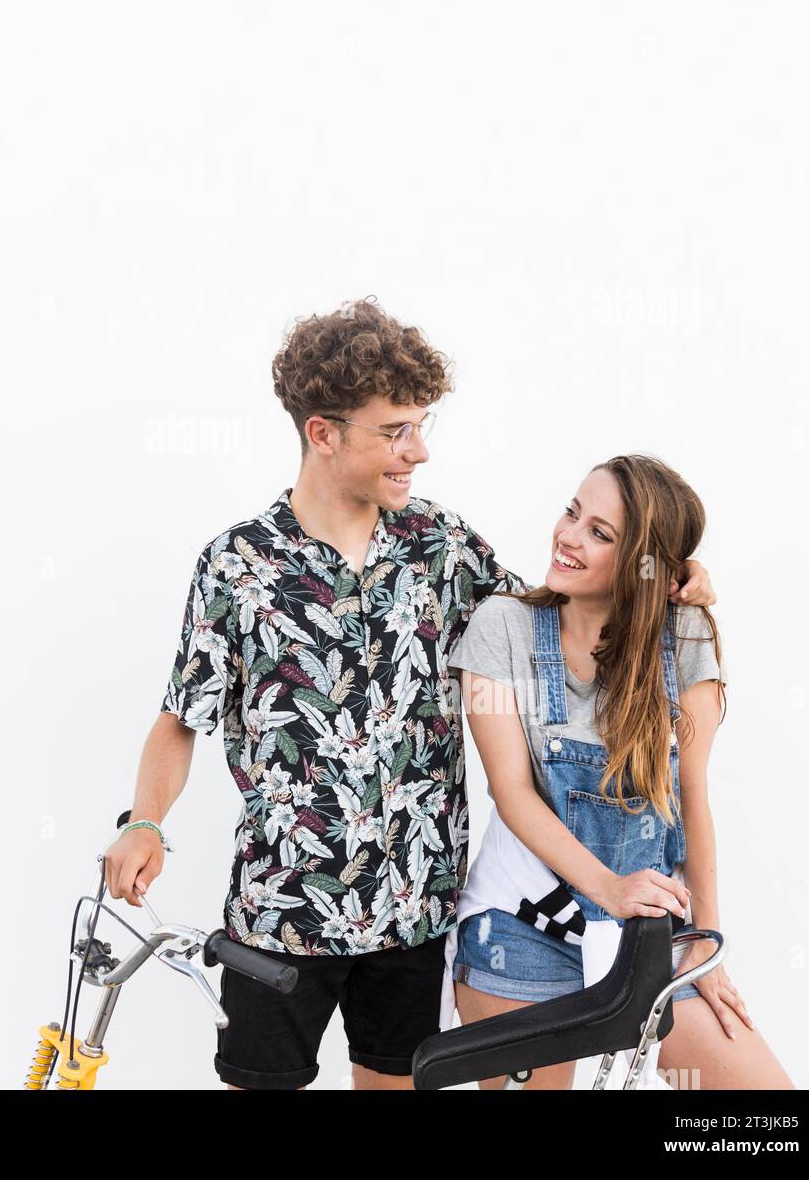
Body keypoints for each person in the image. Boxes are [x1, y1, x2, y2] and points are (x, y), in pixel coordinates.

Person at [105, 298, 715, 1091]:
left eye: (421, 425)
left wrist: (666, 577)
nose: (417, 451)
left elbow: (555, 619)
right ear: (323, 433)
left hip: (414, 919)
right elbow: (181, 717)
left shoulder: (444, 546)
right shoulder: (236, 567)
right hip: (279, 918)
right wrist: (146, 822)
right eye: (395, 431)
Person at [446, 454, 793, 1089]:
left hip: (646, 935)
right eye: (572, 512)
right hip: (522, 924)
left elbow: (694, 798)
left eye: (601, 533)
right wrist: (607, 887)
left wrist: (704, 950)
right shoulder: (505, 627)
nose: (569, 536)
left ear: (647, 568)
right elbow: (512, 794)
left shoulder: (684, 636)